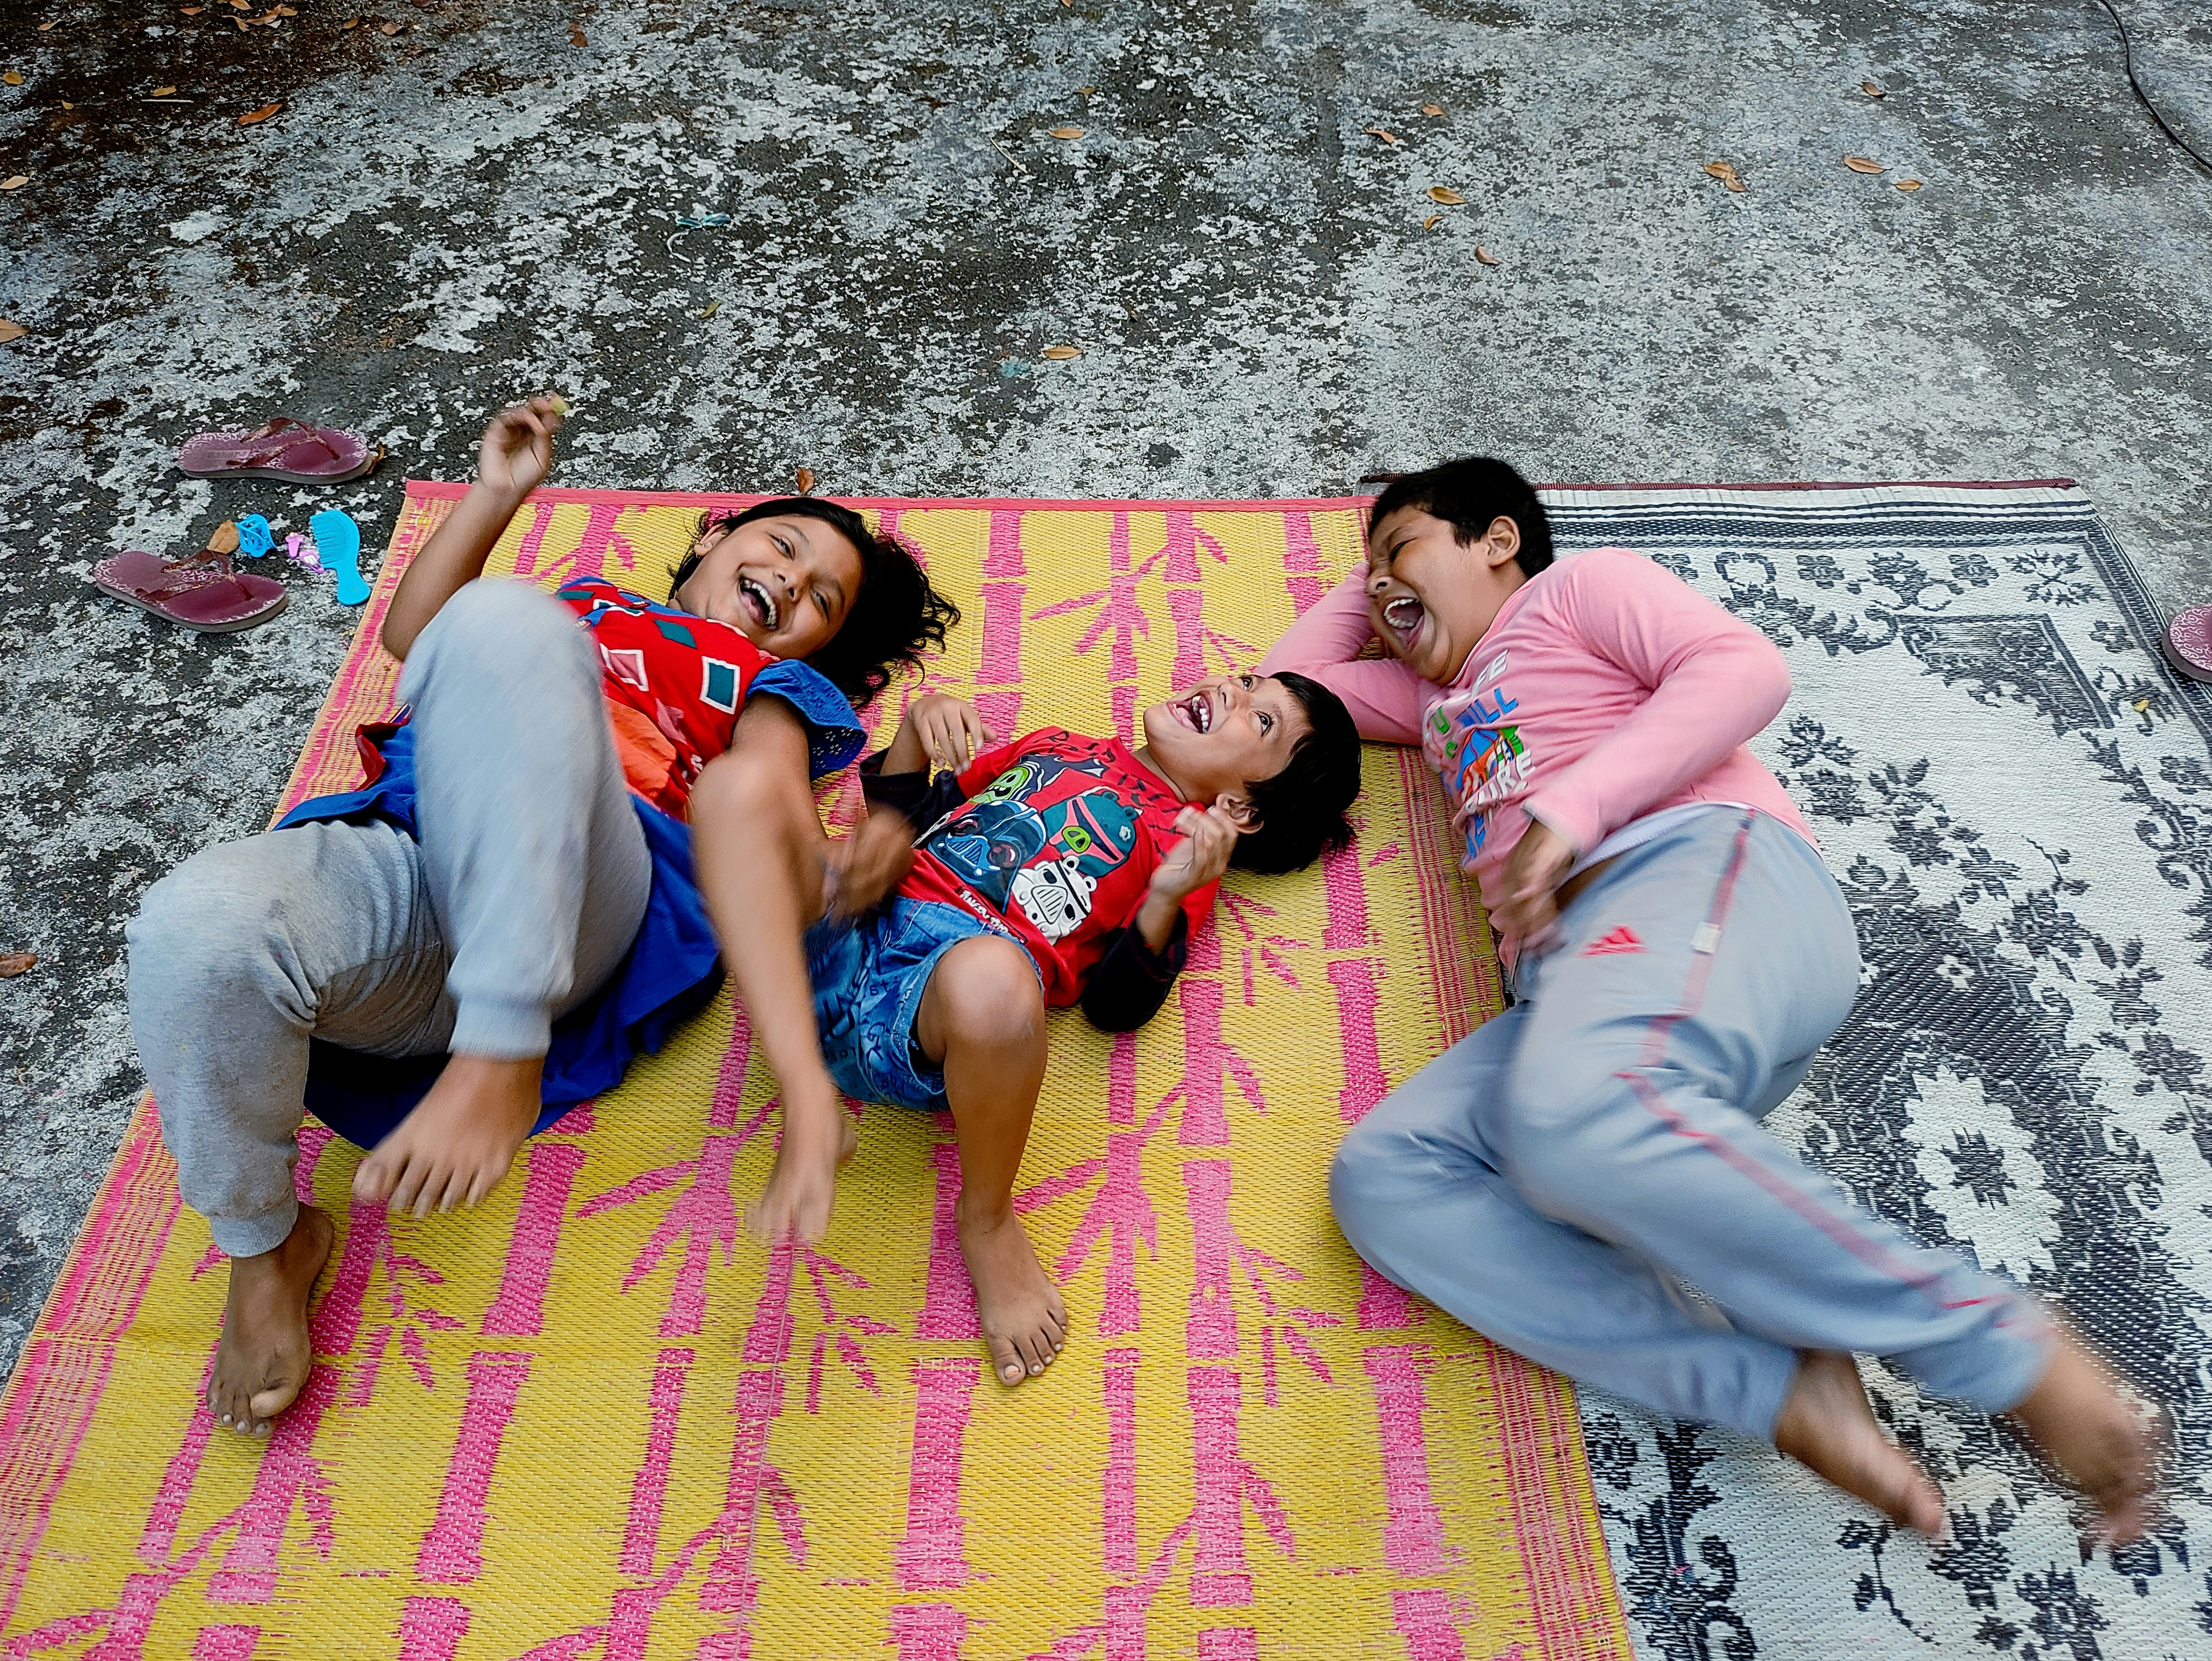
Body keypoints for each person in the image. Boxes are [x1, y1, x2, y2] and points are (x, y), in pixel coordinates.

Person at [1265, 457, 2161, 1541]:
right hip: (1594, 996)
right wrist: (1382, 577)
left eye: (1403, 547)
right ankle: (1774, 1386)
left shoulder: (1576, 592)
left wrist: (1574, 807)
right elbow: (1289, 686)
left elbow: (1743, 668)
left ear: (1497, 539)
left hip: (1702, 875)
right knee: (1387, 1176)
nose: (1378, 589)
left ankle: (2000, 1346)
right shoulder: (1435, 705)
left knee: (1574, 1116)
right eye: (1369, 576)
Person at [127, 398, 955, 1436]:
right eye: (783, 546)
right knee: (191, 926)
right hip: (413, 868)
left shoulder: (769, 683)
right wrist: (495, 497)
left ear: (820, 647)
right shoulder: (587, 600)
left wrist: (845, 859)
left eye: (821, 597)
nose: (791, 582)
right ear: (713, 536)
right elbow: (416, 637)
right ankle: (266, 1243)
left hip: (581, 903)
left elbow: (773, 802)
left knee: (507, 622)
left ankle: (501, 1045)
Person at [709, 675, 1360, 1387]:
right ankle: (804, 1077)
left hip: (923, 1007)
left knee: (995, 978)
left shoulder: (1185, 856)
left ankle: (987, 1217)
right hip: (833, 926)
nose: (1232, 692)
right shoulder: (1058, 744)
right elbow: (909, 818)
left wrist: (1167, 895)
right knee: (737, 790)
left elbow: (1116, 1008)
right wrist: (915, 733)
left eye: (1260, 721)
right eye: (1246, 682)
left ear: (1240, 809)